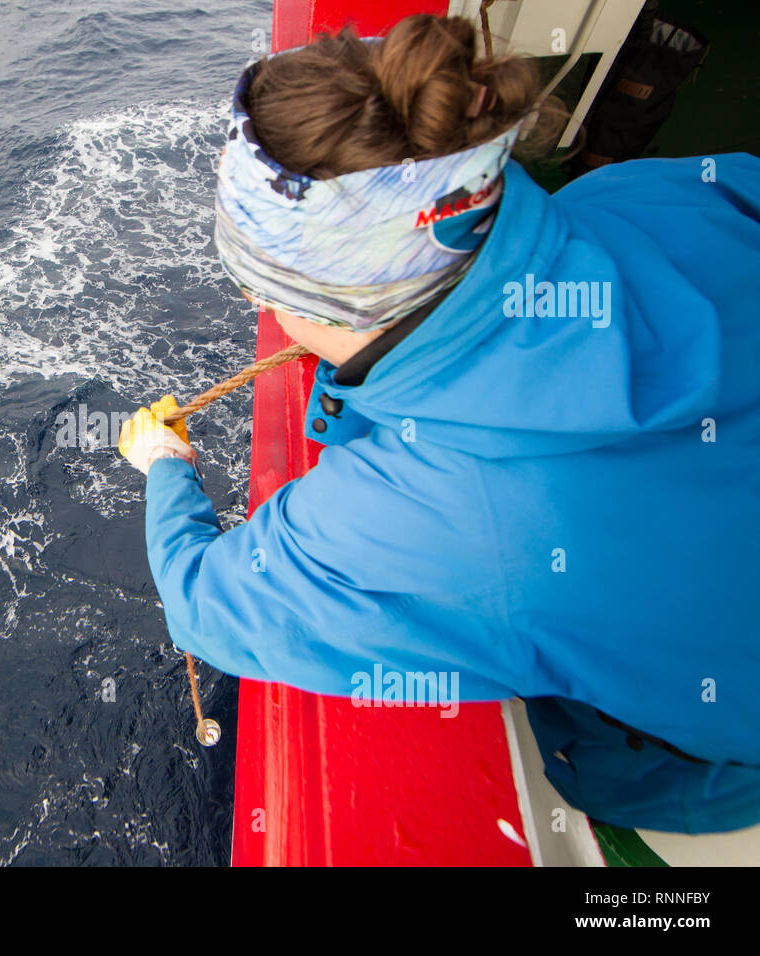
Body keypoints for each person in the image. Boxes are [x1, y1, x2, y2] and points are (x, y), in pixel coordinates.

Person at [118, 14, 760, 835]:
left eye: (270, 285)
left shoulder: (426, 519)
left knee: (601, 758)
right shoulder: (644, 194)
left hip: (723, 754)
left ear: (342, 298)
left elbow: (203, 605)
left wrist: (166, 464)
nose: (256, 304)